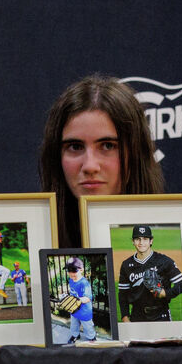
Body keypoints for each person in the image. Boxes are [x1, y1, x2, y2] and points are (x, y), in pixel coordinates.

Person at [37, 74, 164, 247]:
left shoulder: (179, 245)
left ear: (136, 153)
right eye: (75, 147)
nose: (90, 166)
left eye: (108, 146)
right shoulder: (37, 245)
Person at [116, 224, 182, 323]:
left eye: (145, 239)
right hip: (137, 316)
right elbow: (122, 294)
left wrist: (165, 293)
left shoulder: (164, 261)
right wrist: (125, 317)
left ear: (151, 241)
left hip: (161, 315)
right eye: (138, 239)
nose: (141, 242)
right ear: (133, 241)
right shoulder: (126, 265)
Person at [53, 257, 98, 345]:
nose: (71, 273)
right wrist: (67, 297)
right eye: (69, 270)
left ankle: (91, 337)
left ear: (81, 270)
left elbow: (87, 298)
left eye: (74, 270)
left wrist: (75, 300)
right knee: (74, 325)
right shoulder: (71, 280)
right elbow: (73, 292)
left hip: (84, 312)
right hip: (73, 309)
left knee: (88, 327)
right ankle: (75, 335)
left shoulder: (84, 284)